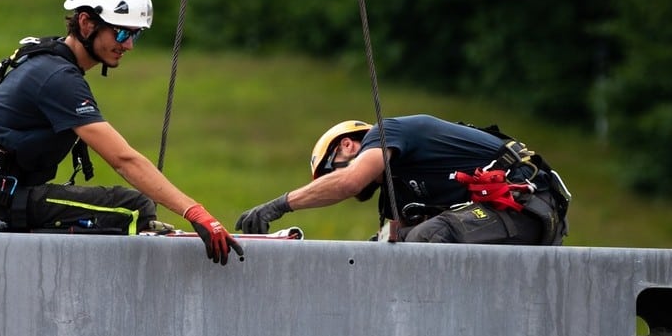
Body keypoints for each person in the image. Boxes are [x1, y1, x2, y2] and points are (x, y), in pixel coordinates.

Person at [0, 0, 243, 265]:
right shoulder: (56, 77)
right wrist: (195, 211)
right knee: (133, 208)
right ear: (86, 23)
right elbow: (123, 160)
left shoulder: (52, 62)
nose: (128, 45)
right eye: (122, 32)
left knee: (127, 208)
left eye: (135, 35)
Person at [235, 115, 570, 245]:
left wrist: (278, 205)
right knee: (391, 247)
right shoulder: (397, 187)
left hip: (531, 208)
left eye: (331, 171)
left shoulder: (389, 131)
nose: (333, 182)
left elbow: (350, 181)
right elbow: (390, 243)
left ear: (347, 144)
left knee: (431, 236)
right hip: (502, 221)